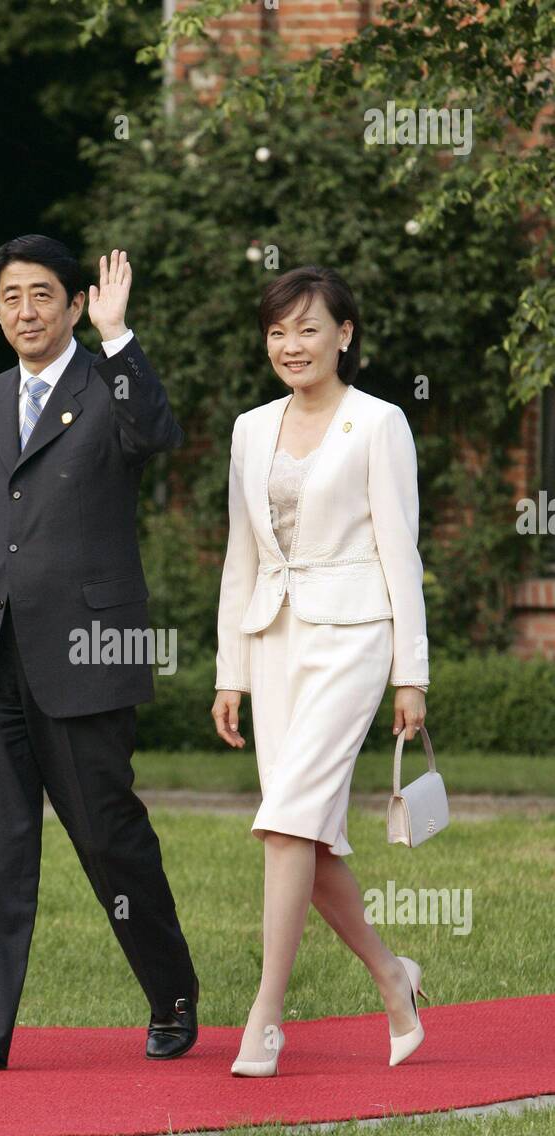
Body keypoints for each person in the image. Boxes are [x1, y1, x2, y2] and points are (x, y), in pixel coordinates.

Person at [0, 235, 199, 1071]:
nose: (25, 312)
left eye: (43, 295)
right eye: (10, 297)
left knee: (109, 837)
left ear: (75, 304)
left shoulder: (108, 384)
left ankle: (171, 996)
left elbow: (156, 437)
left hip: (85, 652)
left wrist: (120, 341)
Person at [212, 264, 430, 1078]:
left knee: (285, 820)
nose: (290, 345)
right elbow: (241, 554)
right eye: (277, 331)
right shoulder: (248, 428)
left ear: (344, 335)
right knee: (304, 834)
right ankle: (391, 978)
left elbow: (398, 552)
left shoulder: (378, 423)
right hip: (272, 642)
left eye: (308, 328)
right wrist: (228, 669)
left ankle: (266, 1014)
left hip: (353, 638)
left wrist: (412, 673)